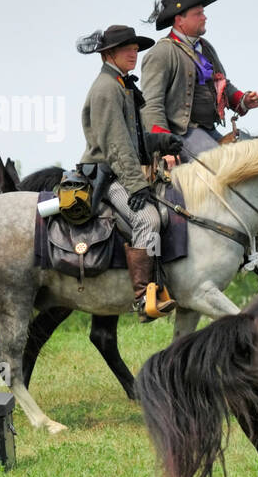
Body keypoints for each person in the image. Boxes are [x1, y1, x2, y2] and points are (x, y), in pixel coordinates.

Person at [77, 24, 183, 322]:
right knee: (148, 218)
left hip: (121, 170)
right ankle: (142, 298)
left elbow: (132, 138)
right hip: (107, 175)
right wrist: (137, 187)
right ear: (109, 53)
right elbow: (116, 145)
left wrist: (161, 142)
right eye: (128, 49)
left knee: (164, 212)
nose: (134, 53)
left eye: (136, 49)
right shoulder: (106, 89)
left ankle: (160, 286)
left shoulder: (121, 84)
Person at [139, 0, 258, 159]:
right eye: (198, 14)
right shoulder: (161, 53)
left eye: (203, 12)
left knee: (249, 158)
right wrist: (164, 145)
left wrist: (243, 100)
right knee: (219, 167)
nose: (205, 17)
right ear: (179, 20)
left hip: (208, 131)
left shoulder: (205, 47)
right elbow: (151, 104)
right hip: (181, 134)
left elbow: (222, 84)